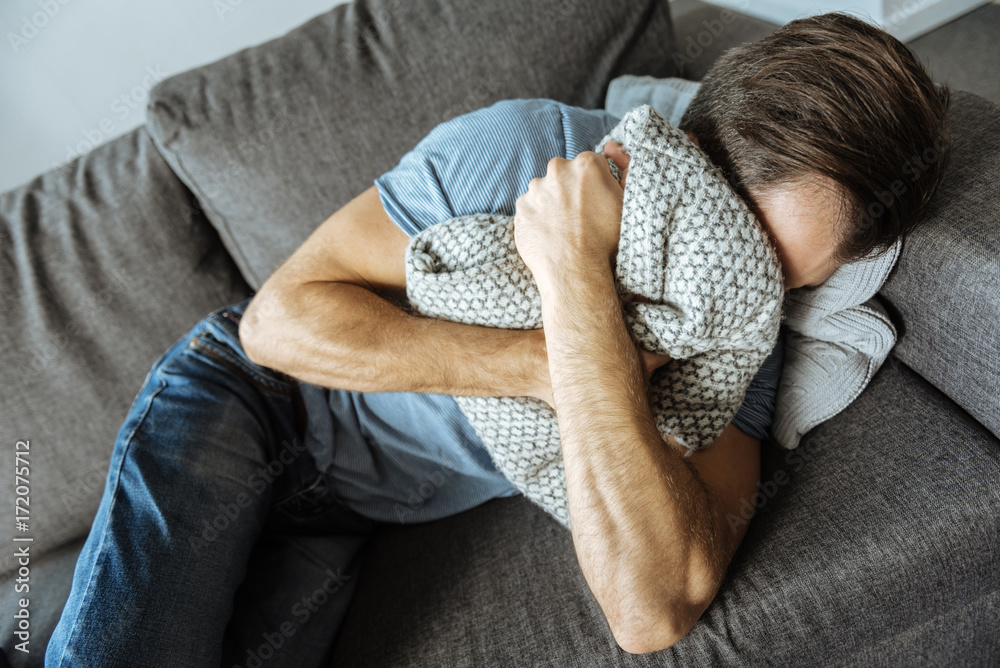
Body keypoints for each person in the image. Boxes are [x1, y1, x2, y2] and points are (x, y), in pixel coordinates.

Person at [46, 12, 950, 666]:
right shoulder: (518, 152)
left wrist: (575, 282)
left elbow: (653, 612)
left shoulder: (738, 340)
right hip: (249, 402)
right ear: (673, 152)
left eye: (779, 280)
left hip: (361, 518)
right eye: (728, 239)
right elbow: (277, 323)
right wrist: (544, 365)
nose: (734, 288)